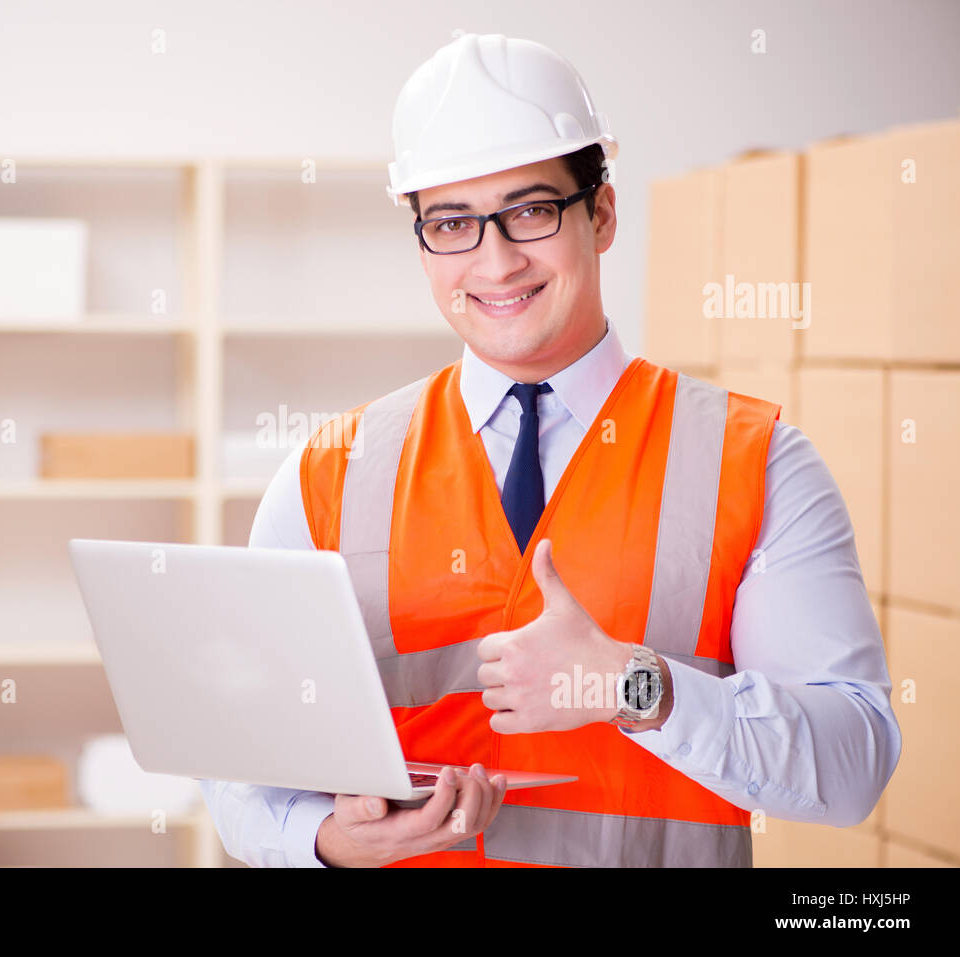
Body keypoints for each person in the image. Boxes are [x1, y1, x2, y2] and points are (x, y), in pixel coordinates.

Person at [199, 33, 899, 867]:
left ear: (600, 214)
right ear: (421, 242)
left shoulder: (754, 462)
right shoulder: (327, 474)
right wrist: (326, 840)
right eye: (452, 223)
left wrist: (632, 687)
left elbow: (854, 762)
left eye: (530, 210)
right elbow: (240, 770)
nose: (495, 262)